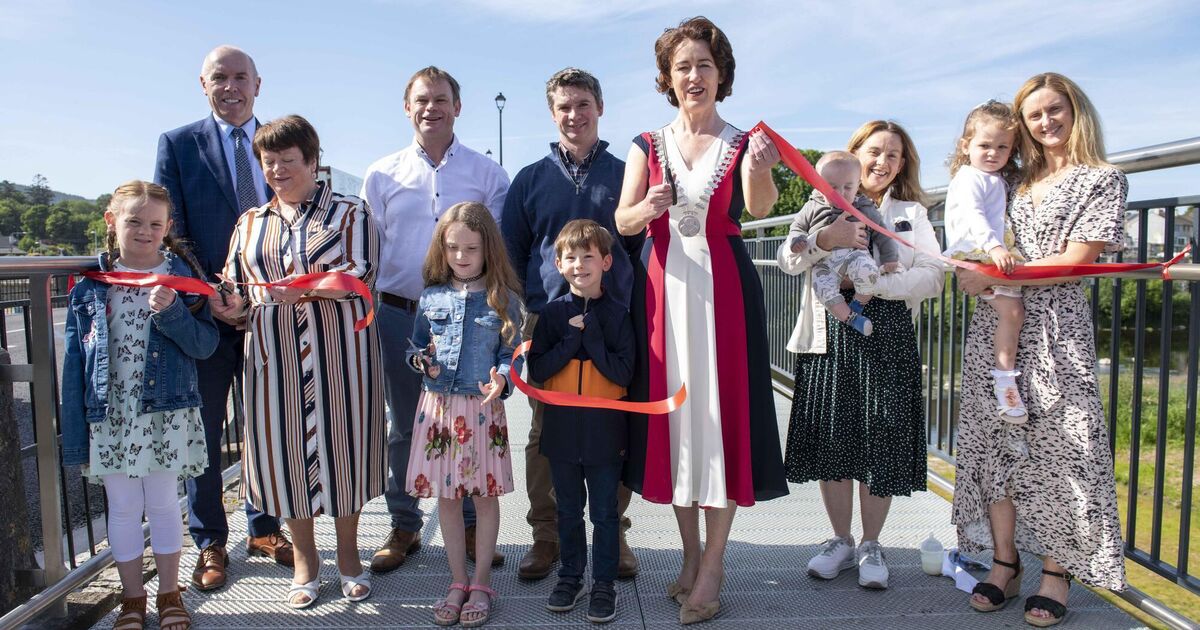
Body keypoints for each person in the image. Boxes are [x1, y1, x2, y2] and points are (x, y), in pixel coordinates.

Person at [615, 16, 789, 625]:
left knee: (720, 419)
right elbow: (623, 222)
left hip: (725, 293)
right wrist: (644, 206)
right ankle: (690, 556)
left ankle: (713, 565)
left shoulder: (743, 142)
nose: (694, 76)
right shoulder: (646, 142)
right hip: (664, 292)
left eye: (705, 66)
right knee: (675, 422)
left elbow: (759, 207)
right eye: (683, 66)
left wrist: (762, 169)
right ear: (668, 76)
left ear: (722, 75)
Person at [952, 72, 1127, 628]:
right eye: (1035, 115)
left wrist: (994, 276)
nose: (1046, 122)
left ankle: (1057, 570)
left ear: (1076, 112)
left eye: (1056, 110)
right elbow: (968, 237)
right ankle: (1006, 562)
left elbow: (1076, 261)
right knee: (996, 443)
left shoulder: (1102, 179)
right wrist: (971, 275)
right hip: (998, 325)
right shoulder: (1010, 177)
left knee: (1062, 447)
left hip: (1057, 326)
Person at [215, 115, 384, 608]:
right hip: (273, 362)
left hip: (340, 359)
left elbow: (360, 272)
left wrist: (303, 288)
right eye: (270, 162)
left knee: (344, 455)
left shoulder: (351, 213)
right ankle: (307, 561)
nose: (279, 170)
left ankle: (350, 557)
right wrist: (228, 303)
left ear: (312, 160)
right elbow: (238, 286)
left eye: (289, 160)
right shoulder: (249, 224)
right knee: (286, 460)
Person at [777, 120, 944, 590]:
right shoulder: (819, 202)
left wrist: (872, 284)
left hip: (887, 332)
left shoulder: (910, 211)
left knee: (881, 438)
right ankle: (839, 541)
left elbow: (933, 276)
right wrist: (823, 242)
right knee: (835, 439)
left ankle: (872, 543)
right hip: (829, 334)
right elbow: (789, 261)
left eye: (894, 155)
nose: (883, 162)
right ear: (854, 153)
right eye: (875, 151)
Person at [154, 45, 292, 591]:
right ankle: (210, 541)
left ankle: (265, 527)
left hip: (271, 316)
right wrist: (212, 294)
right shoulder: (178, 144)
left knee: (266, 426)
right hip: (206, 317)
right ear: (202, 83)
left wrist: (261, 296)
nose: (231, 86)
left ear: (259, 84)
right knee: (206, 433)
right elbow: (173, 228)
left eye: (241, 77)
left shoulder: (278, 145)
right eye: (220, 78)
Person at [361, 66, 510, 572]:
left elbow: (500, 245)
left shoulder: (487, 174)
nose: (432, 108)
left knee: (468, 420)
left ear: (457, 106)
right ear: (407, 108)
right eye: (421, 100)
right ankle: (404, 524)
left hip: (472, 314)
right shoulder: (382, 174)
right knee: (404, 425)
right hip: (403, 315)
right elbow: (369, 250)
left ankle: (469, 528)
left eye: (441, 99)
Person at [500, 67, 641, 580]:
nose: (573, 115)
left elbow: (640, 247)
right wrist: (525, 310)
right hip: (550, 319)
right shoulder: (531, 179)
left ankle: (614, 534)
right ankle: (547, 536)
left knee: (612, 425)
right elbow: (510, 247)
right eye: (564, 106)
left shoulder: (627, 175)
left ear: (599, 107)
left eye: (582, 104)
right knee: (545, 431)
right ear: (552, 112)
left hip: (612, 315)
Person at [61, 181, 219, 630]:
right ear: (112, 222)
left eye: (155, 223)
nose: (145, 231)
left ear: (168, 228)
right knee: (124, 506)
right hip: (111, 415)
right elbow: (75, 363)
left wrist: (172, 313)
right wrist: (75, 430)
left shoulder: (183, 284)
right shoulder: (91, 288)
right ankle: (133, 599)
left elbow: (206, 346)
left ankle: (170, 593)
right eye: (134, 221)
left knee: (166, 502)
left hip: (165, 413)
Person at [405, 202, 522, 628]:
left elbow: (513, 354)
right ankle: (457, 580)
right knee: (447, 499)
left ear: (488, 248)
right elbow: (416, 347)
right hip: (438, 410)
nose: (460, 256)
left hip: (481, 411)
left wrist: (503, 380)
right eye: (452, 247)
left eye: (470, 248)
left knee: (483, 497)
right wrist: (423, 362)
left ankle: (482, 581)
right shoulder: (431, 295)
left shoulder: (504, 297)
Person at [527, 220, 636, 624]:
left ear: (606, 262)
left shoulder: (619, 314)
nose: (579, 264)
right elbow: (537, 369)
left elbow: (623, 373)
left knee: (605, 512)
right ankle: (571, 575)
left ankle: (603, 582)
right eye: (570, 257)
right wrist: (570, 341)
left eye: (588, 256)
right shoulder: (552, 315)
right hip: (561, 433)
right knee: (568, 510)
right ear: (558, 263)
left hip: (605, 434)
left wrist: (590, 340)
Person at [942, 100, 1027, 422]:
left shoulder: (991, 178)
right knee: (1013, 312)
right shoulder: (970, 178)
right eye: (984, 145)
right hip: (977, 252)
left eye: (1002, 147)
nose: (993, 153)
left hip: (985, 252)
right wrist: (994, 247)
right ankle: (1005, 383)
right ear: (966, 146)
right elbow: (975, 216)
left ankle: (1005, 381)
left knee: (1013, 313)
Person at [787, 151, 901, 336]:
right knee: (823, 289)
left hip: (854, 255)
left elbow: (881, 232)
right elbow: (797, 226)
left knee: (868, 271)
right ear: (819, 186)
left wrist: (890, 257)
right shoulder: (812, 206)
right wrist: (798, 240)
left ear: (858, 185)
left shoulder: (863, 206)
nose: (840, 193)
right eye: (832, 188)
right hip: (823, 262)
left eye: (848, 187)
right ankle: (851, 318)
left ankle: (857, 305)